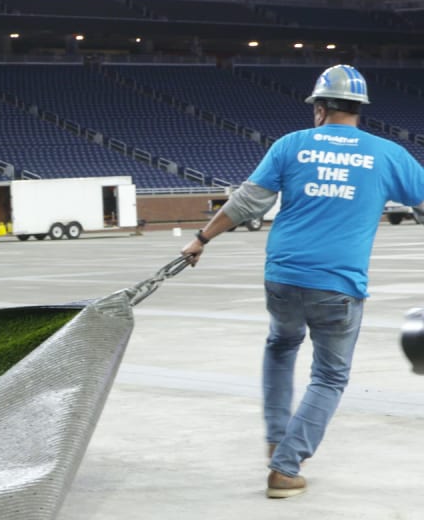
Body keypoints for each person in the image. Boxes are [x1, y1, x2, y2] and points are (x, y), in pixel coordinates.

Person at [181, 65, 424, 499]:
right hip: (338, 284)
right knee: (329, 377)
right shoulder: (386, 154)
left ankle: (277, 437)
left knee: (280, 344)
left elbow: (247, 203)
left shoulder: (291, 145)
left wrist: (201, 239)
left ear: (321, 107)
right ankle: (285, 466)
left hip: (283, 275)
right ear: (358, 110)